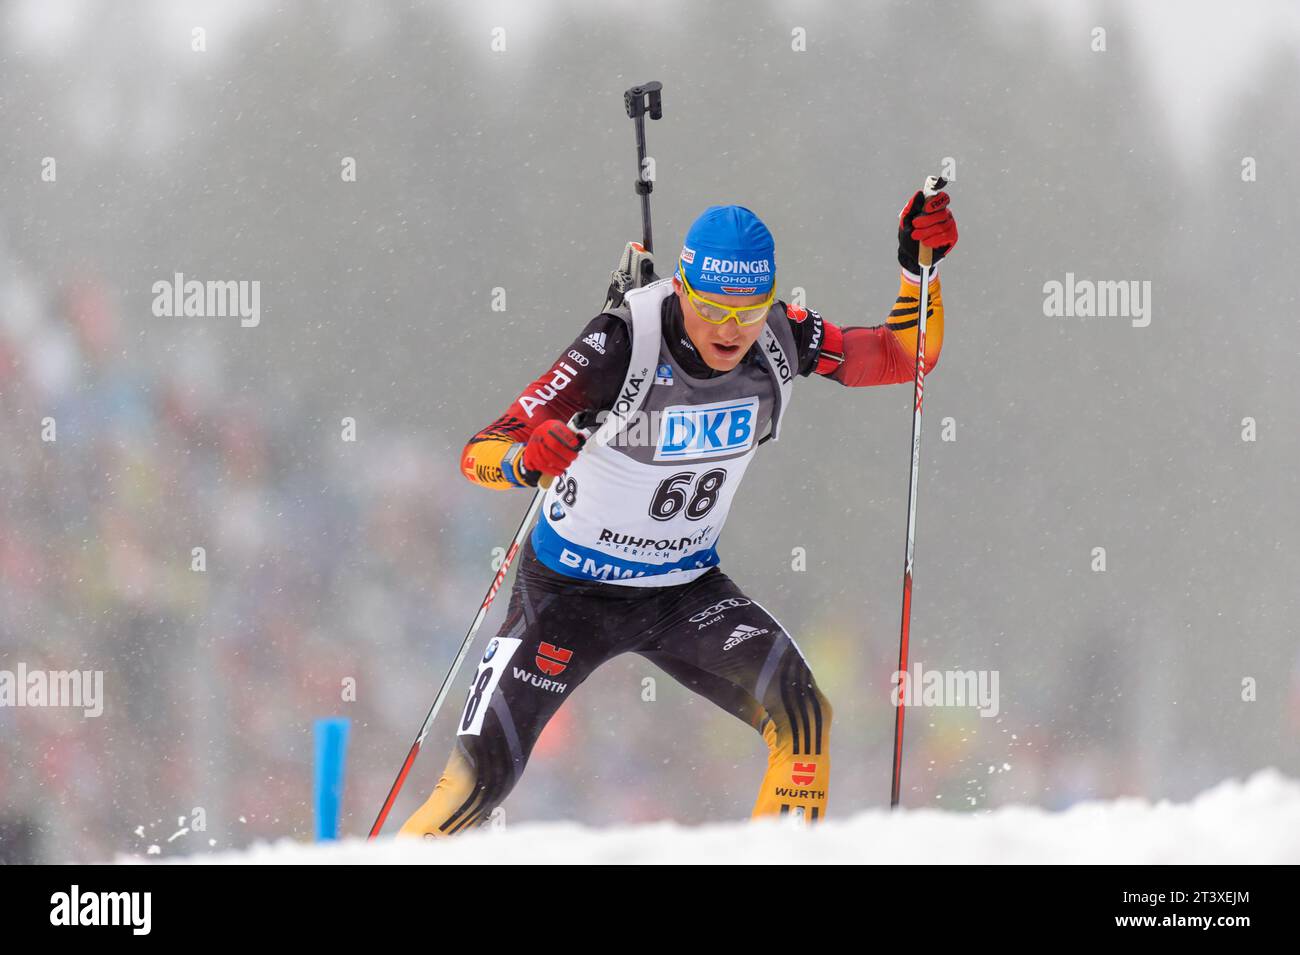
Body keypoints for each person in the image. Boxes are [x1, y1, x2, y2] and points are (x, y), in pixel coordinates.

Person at [400, 191, 958, 835]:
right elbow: (482, 450)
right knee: (477, 781)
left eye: (747, 311)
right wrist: (528, 459)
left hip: (683, 590)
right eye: (712, 308)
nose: (730, 330)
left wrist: (919, 271)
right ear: (680, 288)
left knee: (802, 711)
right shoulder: (622, 342)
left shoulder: (781, 337)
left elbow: (902, 355)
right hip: (571, 591)